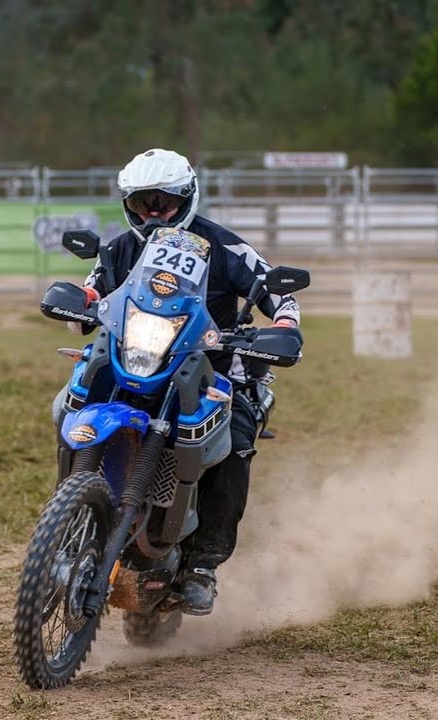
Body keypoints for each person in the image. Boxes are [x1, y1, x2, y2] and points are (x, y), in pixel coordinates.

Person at [66, 148, 302, 615]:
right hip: (137, 357)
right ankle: (71, 511)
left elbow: (276, 292)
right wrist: (80, 299)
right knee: (76, 392)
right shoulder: (119, 248)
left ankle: (202, 564)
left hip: (213, 368)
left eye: (164, 202)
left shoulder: (225, 247)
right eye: (141, 203)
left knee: (234, 443)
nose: (153, 212)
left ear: (188, 196)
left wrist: (284, 325)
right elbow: (94, 287)